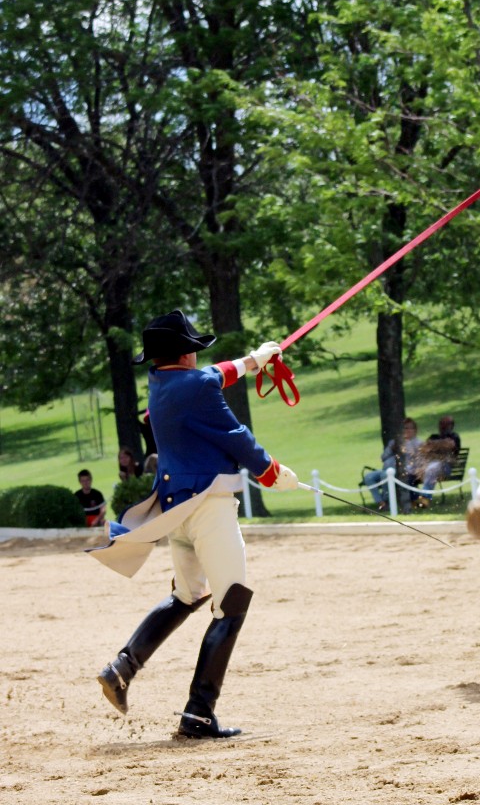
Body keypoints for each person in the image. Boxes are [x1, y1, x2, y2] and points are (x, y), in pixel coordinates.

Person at [90, 309, 299, 739]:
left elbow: (214, 375)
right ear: (186, 355)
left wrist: (255, 360)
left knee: (187, 595)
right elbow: (237, 436)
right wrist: (271, 471)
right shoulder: (197, 385)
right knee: (233, 600)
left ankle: (121, 667)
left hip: (177, 512)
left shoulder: (161, 385)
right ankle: (198, 713)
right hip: (209, 509)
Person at [362, 418, 422, 511]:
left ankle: (387, 502)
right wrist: (391, 449)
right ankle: (380, 502)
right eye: (405, 428)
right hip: (387, 469)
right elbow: (383, 457)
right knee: (369, 477)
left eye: (410, 428)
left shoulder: (418, 443)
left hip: (404, 472)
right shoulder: (393, 442)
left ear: (415, 430)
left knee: (384, 475)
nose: (407, 430)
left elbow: (417, 461)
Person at [415, 415, 461, 508]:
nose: (443, 426)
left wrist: (434, 445)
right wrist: (441, 444)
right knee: (419, 470)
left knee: (432, 468)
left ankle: (425, 497)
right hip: (428, 466)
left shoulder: (454, 436)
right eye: (441, 423)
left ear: (451, 426)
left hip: (445, 468)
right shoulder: (434, 436)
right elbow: (425, 448)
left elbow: (450, 445)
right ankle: (413, 499)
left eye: (446, 424)